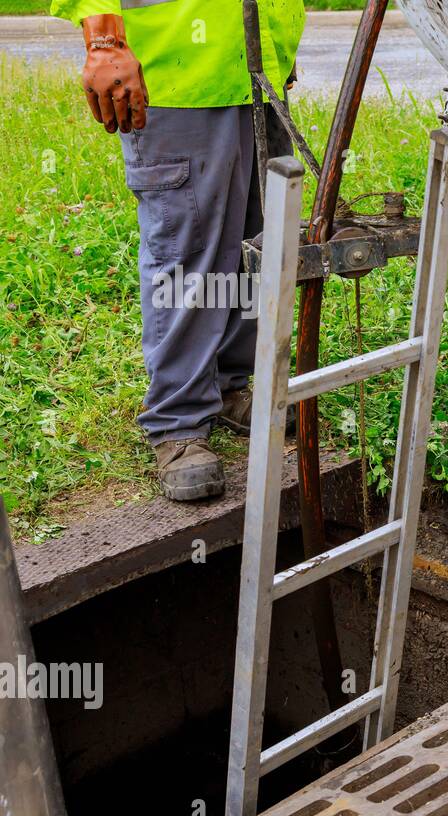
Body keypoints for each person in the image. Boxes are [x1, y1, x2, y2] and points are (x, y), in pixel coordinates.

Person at [51, 1, 305, 501]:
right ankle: (178, 420)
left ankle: (230, 384)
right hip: (178, 74)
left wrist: (277, 43)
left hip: (254, 68)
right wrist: (104, 41)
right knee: (189, 252)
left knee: (255, 239)